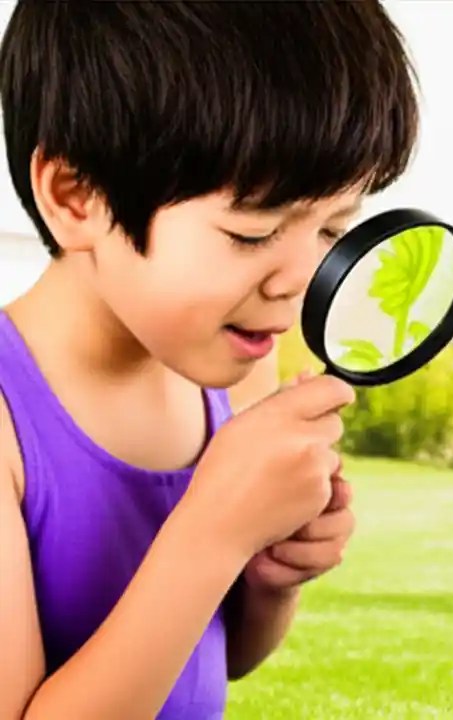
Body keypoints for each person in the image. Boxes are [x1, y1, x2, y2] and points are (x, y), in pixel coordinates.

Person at [0, 3, 419, 717]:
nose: (301, 277)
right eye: (252, 232)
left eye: (334, 227)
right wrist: (214, 528)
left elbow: (219, 657)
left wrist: (269, 575)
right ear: (77, 197)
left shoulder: (233, 364)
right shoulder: (10, 421)